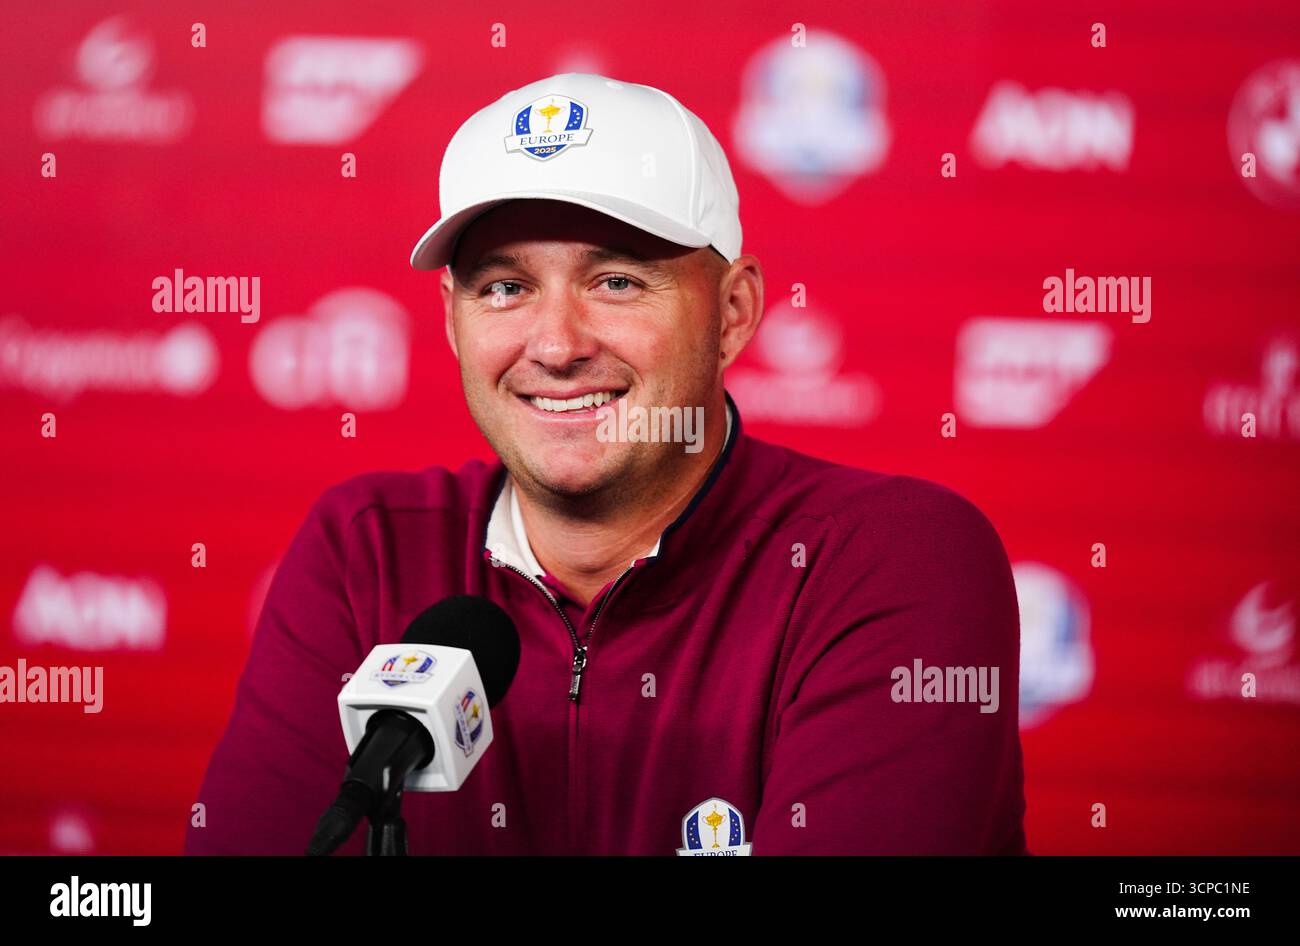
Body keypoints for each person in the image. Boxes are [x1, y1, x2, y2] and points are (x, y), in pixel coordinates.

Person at [186, 72, 1026, 855]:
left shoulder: (892, 557)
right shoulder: (366, 550)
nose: (555, 346)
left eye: (618, 281)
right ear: (451, 322)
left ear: (733, 311)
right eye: (504, 288)